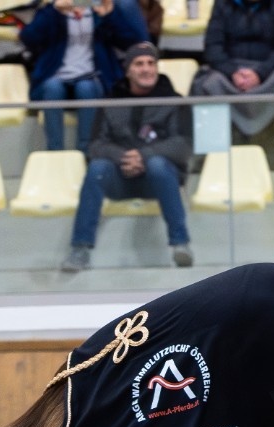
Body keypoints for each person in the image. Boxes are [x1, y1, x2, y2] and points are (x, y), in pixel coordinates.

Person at [60, 42, 193, 272]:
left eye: (151, 63)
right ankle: (80, 249)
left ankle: (181, 244)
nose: (146, 69)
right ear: (128, 70)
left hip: (160, 179)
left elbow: (183, 146)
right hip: (120, 177)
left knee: (158, 165)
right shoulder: (111, 101)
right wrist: (123, 157)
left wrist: (144, 156)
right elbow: (96, 145)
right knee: (97, 169)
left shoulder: (175, 101)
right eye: (139, 64)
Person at [20, 0, 149, 153]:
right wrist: (54, 12)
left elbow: (134, 43)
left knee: (85, 87)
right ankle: (54, 151)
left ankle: (86, 151)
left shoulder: (99, 12)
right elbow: (28, 38)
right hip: (56, 77)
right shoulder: (51, 11)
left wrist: (110, 16)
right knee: (53, 87)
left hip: (91, 77)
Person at [191, 0, 274, 170]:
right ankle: (209, 153)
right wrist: (232, 71)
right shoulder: (222, 4)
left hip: (267, 69)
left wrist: (260, 73)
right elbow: (212, 46)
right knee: (209, 84)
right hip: (229, 70)